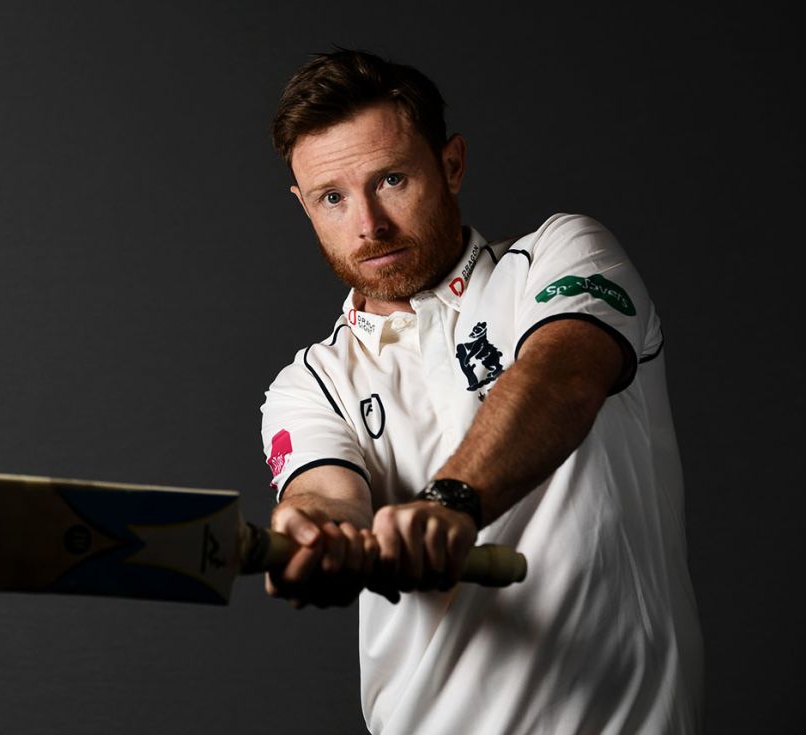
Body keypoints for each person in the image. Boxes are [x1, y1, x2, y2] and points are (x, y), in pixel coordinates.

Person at [260, 49, 703, 734]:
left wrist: (452, 503)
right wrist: (316, 531)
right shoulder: (309, 383)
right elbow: (324, 491)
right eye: (333, 197)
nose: (368, 224)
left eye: (393, 179)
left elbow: (564, 376)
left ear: (452, 164)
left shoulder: (561, 256)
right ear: (304, 204)